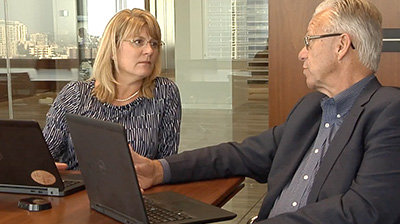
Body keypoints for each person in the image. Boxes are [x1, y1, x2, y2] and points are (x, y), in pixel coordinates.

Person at [131, 0, 400, 223]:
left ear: (341, 46)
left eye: (310, 41)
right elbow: (241, 155)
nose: (302, 54)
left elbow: (366, 209)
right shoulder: (310, 109)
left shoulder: (388, 110)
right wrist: (159, 169)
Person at [43, 8, 182, 170]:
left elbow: (165, 166)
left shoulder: (164, 93)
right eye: (138, 42)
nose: (149, 50)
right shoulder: (75, 94)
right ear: (112, 48)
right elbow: (44, 156)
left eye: (154, 43)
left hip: (137, 192)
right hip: (78, 191)